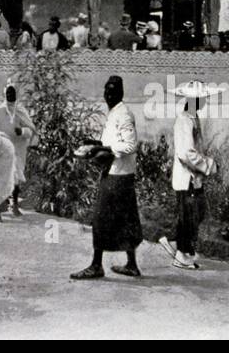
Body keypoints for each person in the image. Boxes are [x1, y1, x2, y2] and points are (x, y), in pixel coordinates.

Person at [72, 75, 143, 279]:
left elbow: (130, 145)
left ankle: (96, 265)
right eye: (106, 90)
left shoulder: (124, 115)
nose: (108, 94)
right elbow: (112, 140)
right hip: (117, 173)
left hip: (118, 175)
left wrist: (103, 148)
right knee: (126, 219)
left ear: (121, 93)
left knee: (101, 218)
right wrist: (93, 143)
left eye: (113, 91)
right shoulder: (114, 113)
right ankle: (132, 264)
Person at [158, 82, 221, 269]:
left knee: (196, 213)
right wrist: (208, 165)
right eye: (202, 99)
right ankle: (181, 253)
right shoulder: (184, 120)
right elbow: (186, 153)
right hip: (188, 178)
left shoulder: (193, 119)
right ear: (193, 100)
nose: (204, 102)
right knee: (190, 215)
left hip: (193, 177)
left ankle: (179, 246)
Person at [0, 83, 36, 216]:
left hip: (17, 151)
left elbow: (31, 130)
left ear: (16, 95)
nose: (10, 96)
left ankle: (14, 205)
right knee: (0, 178)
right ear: (4, 95)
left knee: (15, 179)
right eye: (8, 93)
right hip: (3, 150)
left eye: (13, 93)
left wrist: (21, 131)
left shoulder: (21, 111)